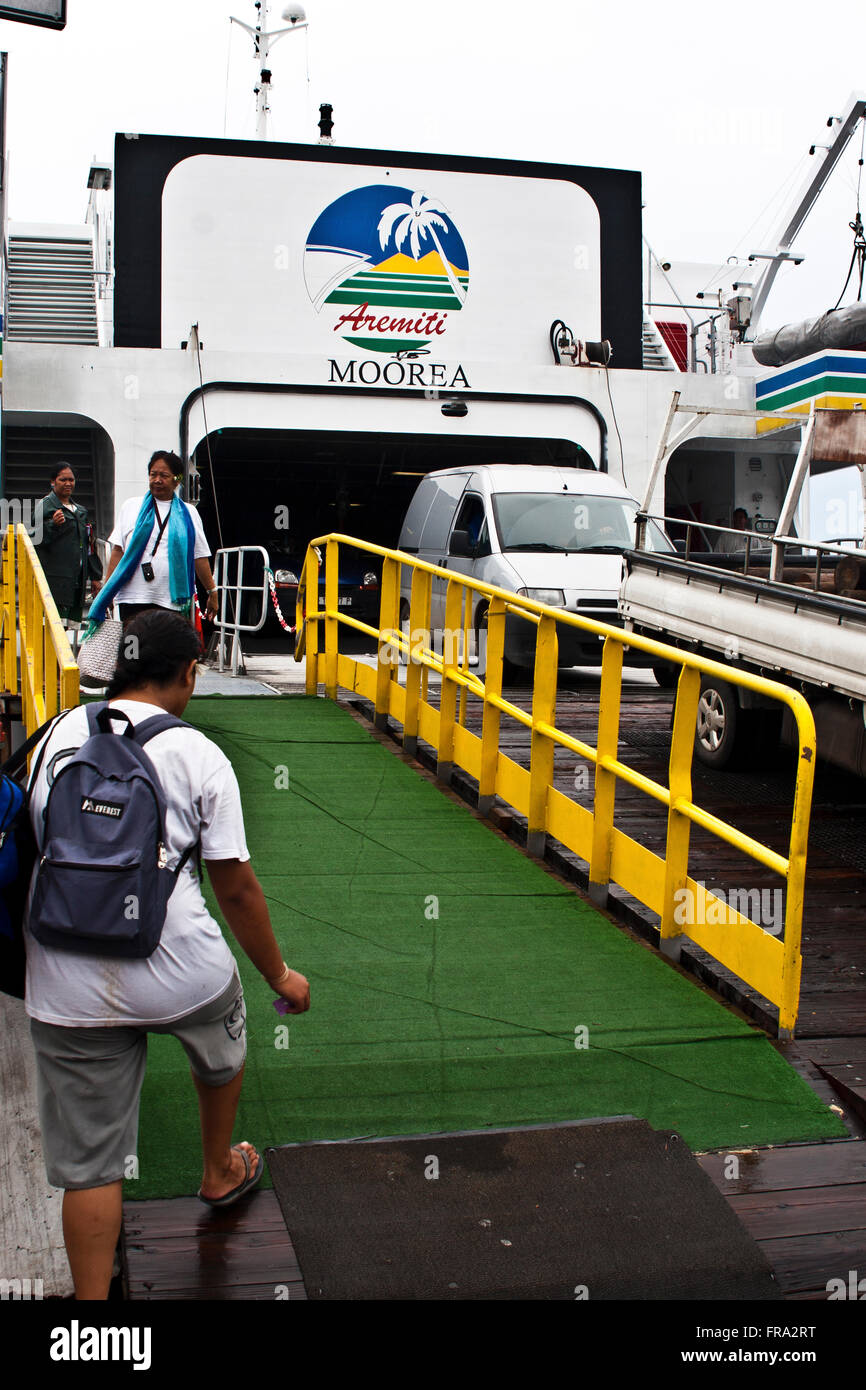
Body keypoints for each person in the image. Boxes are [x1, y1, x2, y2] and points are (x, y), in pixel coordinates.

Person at [24, 609, 310, 1300]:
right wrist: (280, 974)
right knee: (225, 1022)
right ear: (187, 673)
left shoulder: (52, 737)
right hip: (178, 969)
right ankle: (218, 1167)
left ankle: (93, 1316)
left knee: (91, 1167)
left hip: (65, 977)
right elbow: (235, 889)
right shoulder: (199, 752)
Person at [91, 450, 219, 628]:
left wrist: (212, 591)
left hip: (169, 600)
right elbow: (118, 551)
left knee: (162, 652)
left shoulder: (189, 514)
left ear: (177, 479)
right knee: (133, 651)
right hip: (132, 598)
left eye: (164, 476)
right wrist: (108, 590)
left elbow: (199, 557)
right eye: (153, 475)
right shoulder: (130, 506)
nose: (157, 480)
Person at [32, 462, 103, 625]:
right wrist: (52, 525)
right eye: (63, 479)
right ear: (53, 482)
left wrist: (95, 576)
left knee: (66, 626)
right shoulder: (45, 506)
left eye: (71, 480)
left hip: (75, 581)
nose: (68, 483)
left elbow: (88, 545)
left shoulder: (80, 511)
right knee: (51, 627)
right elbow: (33, 538)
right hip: (54, 580)